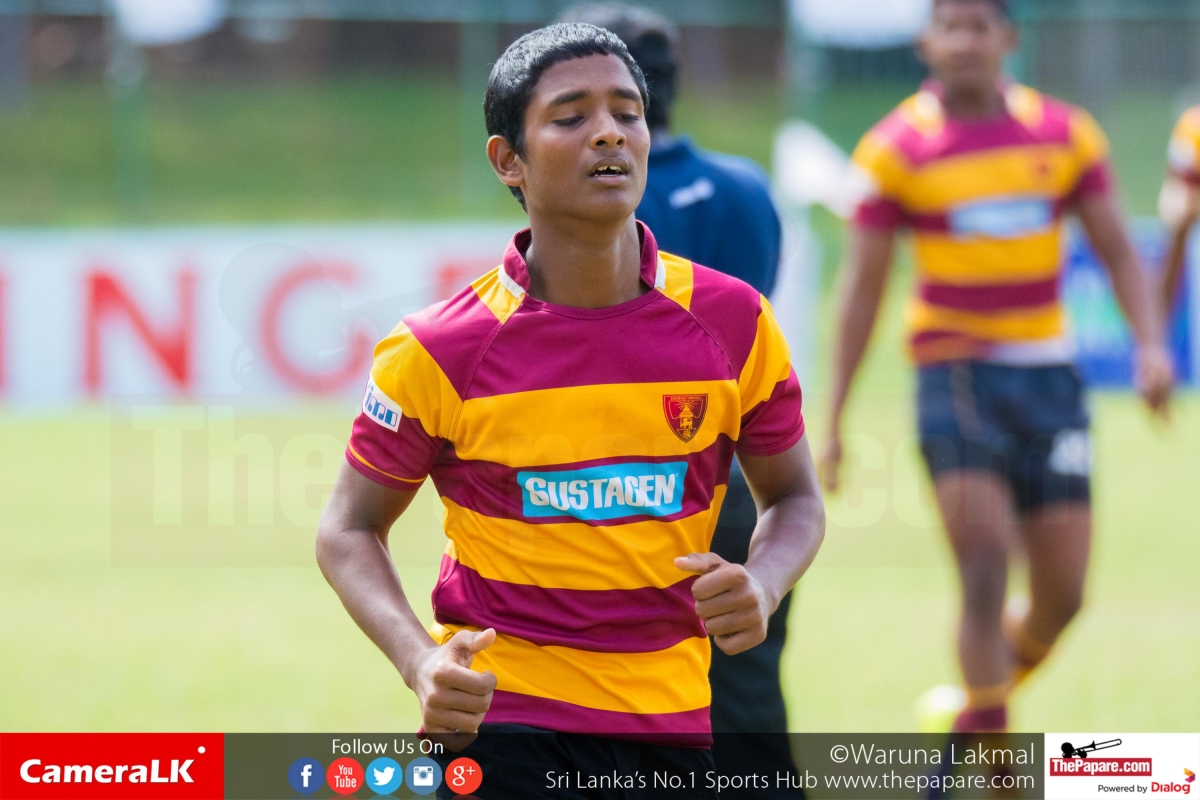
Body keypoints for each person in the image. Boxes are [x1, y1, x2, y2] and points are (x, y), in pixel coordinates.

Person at [316, 22, 825, 800]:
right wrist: (420, 659)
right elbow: (348, 529)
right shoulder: (439, 348)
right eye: (571, 116)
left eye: (627, 112)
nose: (608, 134)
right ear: (507, 160)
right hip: (504, 731)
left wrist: (765, 580)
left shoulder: (735, 322)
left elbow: (794, 498)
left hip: (673, 730)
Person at [821, 0, 1173, 733]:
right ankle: (1000, 762)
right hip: (954, 375)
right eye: (950, 24)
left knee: (1064, 595)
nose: (965, 40)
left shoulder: (1064, 133)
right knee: (984, 569)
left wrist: (1149, 345)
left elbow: (1116, 249)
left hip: (1050, 378)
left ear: (1008, 37)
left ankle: (972, 718)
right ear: (926, 42)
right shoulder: (893, 149)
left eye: (980, 24)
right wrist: (832, 417)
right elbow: (861, 289)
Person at [557, 4, 799, 792]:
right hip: (737, 466)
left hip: (627, 474)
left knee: (616, 697)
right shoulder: (745, 188)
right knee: (746, 684)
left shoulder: (598, 190)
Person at [1158, 105, 1200, 327]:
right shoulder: (1192, 125)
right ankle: (1158, 326)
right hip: (1190, 198)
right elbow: (1178, 189)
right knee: (1178, 218)